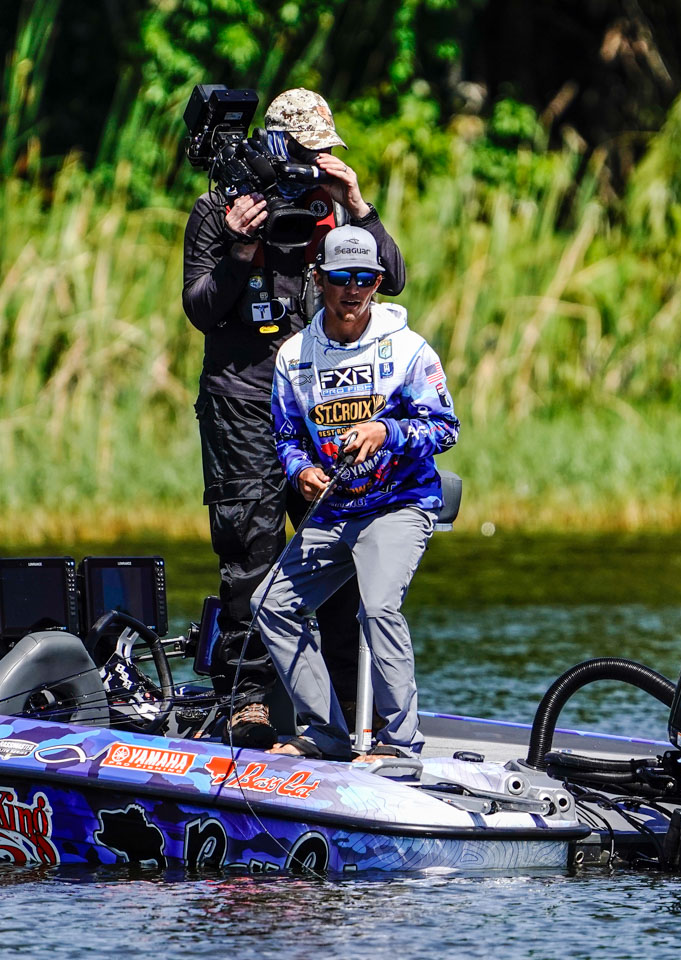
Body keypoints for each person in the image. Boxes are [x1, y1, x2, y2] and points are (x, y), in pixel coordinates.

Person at [182, 88, 406, 748]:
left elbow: (389, 276)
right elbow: (200, 308)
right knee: (251, 551)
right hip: (242, 402)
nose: (316, 170)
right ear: (276, 149)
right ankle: (248, 700)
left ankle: (339, 705)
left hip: (318, 410)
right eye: (308, 158)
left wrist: (357, 205)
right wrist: (242, 250)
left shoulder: (330, 216)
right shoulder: (216, 212)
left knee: (333, 551)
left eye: (327, 157)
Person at [254, 224, 458, 759]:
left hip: (399, 504)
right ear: (318, 280)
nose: (352, 290)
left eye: (364, 279)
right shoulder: (293, 357)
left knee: (378, 608)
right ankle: (324, 734)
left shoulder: (409, 350)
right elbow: (286, 434)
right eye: (341, 278)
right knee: (270, 605)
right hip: (333, 510)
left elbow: (446, 428)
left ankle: (400, 744)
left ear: (378, 282)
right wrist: (300, 470)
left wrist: (385, 431)